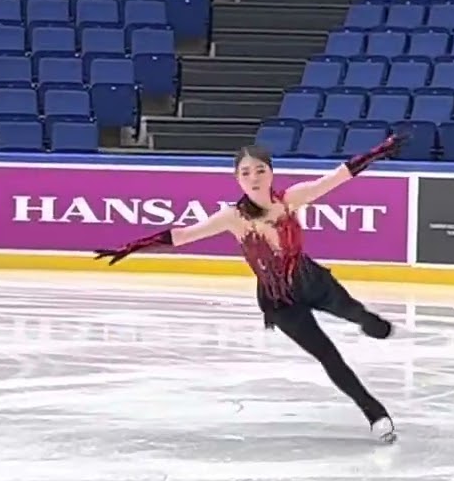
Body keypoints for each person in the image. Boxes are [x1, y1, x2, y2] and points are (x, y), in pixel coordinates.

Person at [91, 137, 402, 444]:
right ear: (236, 179)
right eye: (245, 172)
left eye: (259, 170)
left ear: (271, 173)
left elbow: (337, 177)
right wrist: (131, 247)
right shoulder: (233, 217)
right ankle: (375, 414)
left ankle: (366, 321)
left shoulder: (291, 199)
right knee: (328, 357)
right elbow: (183, 235)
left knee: (357, 314)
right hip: (279, 302)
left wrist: (376, 153)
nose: (253, 177)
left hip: (313, 282)